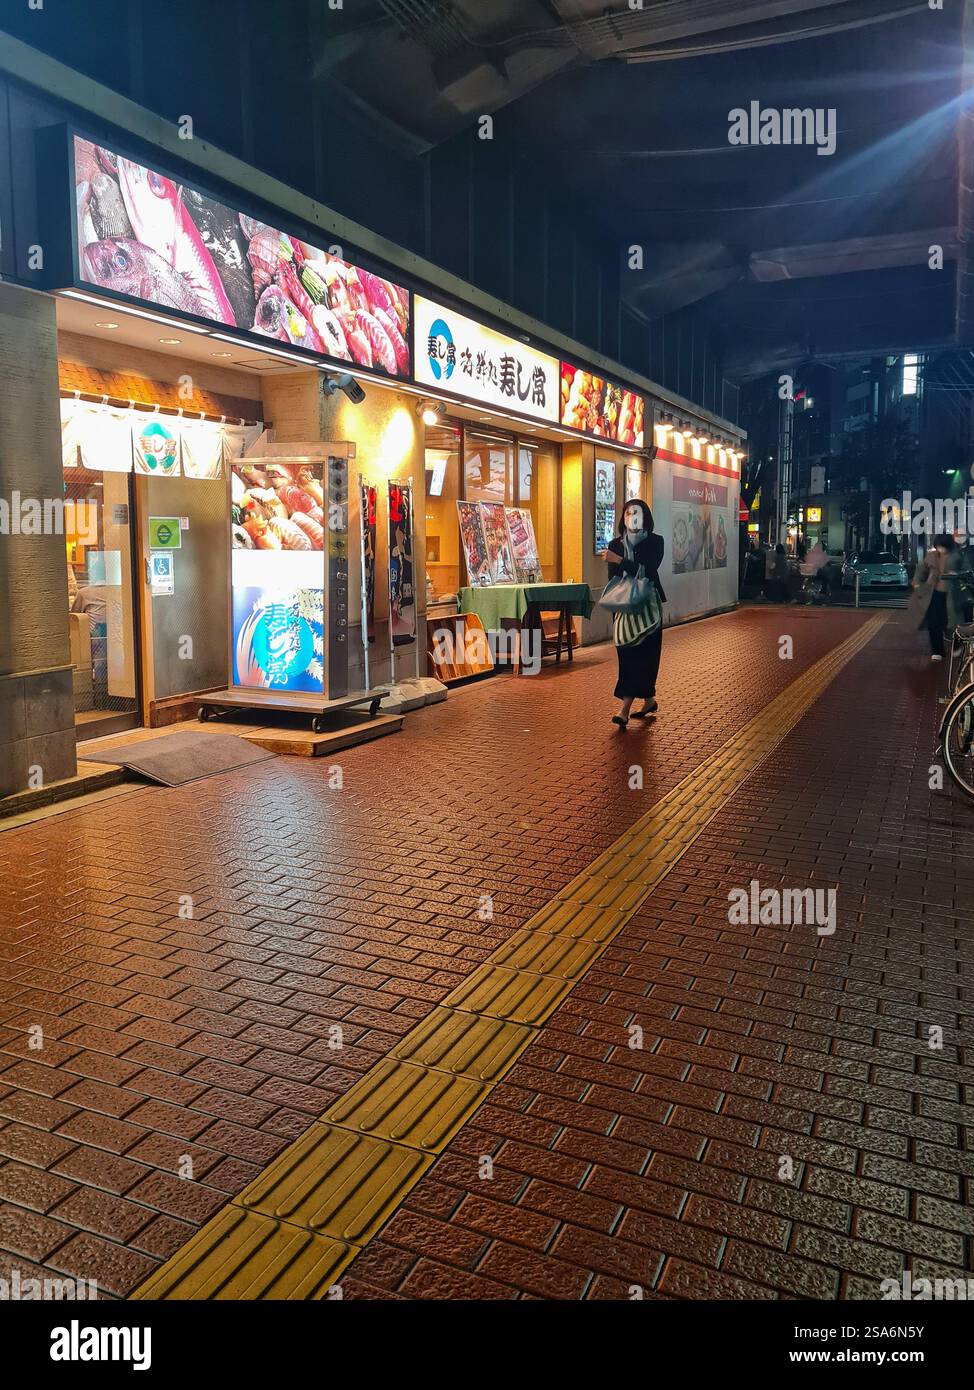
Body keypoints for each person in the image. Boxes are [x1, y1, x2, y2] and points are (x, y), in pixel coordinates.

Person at [605, 499, 666, 727]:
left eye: (637, 512)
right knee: (629, 657)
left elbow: (648, 573)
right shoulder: (615, 544)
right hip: (624, 610)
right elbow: (614, 581)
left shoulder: (655, 542)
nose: (632, 516)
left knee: (646, 657)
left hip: (649, 608)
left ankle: (624, 710)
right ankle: (648, 700)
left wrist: (620, 560)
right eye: (628, 512)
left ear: (645, 517)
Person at [909, 534, 962, 661]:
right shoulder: (931, 556)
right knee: (934, 623)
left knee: (951, 622)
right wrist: (916, 584)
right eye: (938, 546)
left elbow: (966, 571)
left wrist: (956, 574)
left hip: (951, 594)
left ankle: (956, 645)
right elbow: (920, 570)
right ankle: (937, 650)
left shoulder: (957, 556)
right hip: (933, 593)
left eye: (942, 546)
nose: (940, 549)